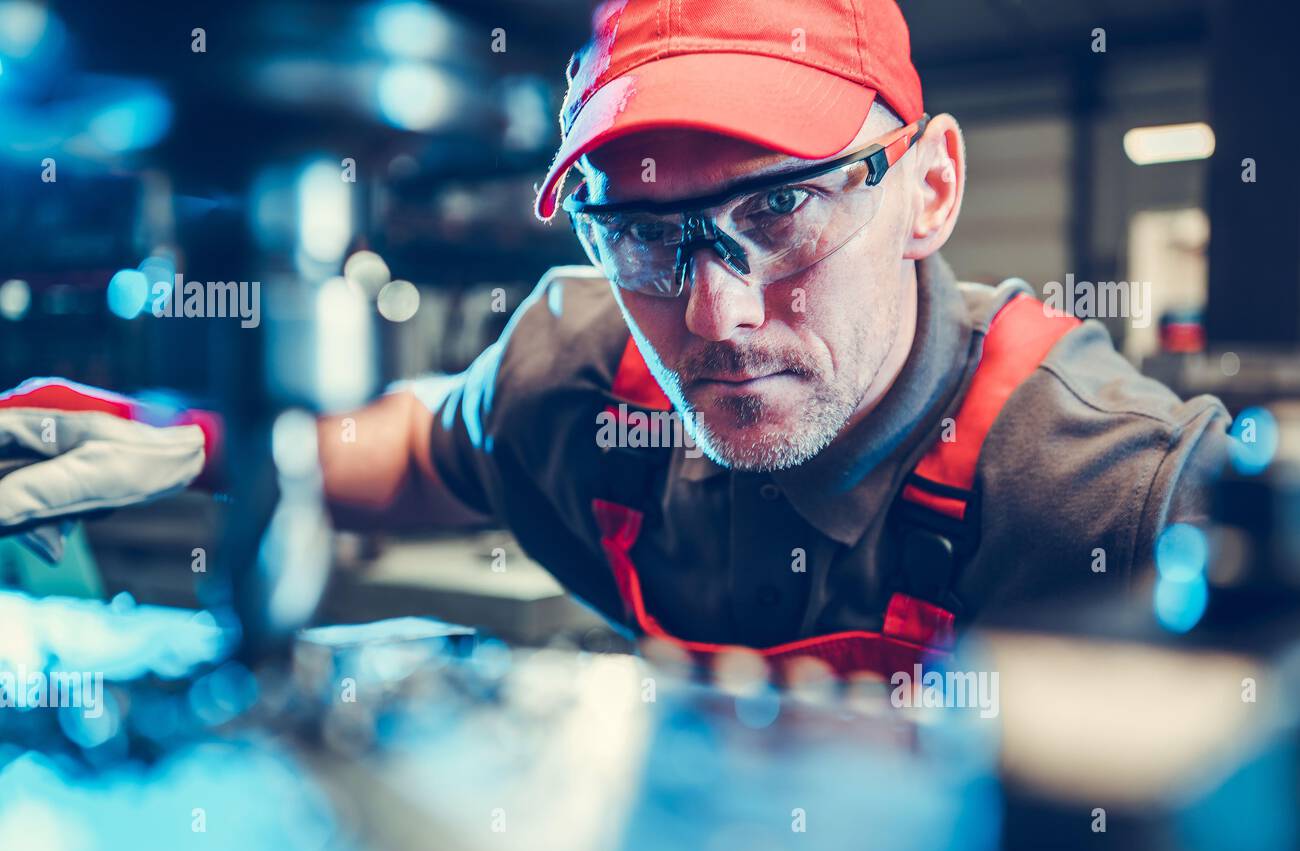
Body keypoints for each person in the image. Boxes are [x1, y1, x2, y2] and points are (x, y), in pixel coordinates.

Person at [0, 0, 1228, 679]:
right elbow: (420, 451)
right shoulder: (584, 375)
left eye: (780, 207)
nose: (712, 317)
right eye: (641, 233)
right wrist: (200, 441)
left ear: (930, 186)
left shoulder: (1106, 496)